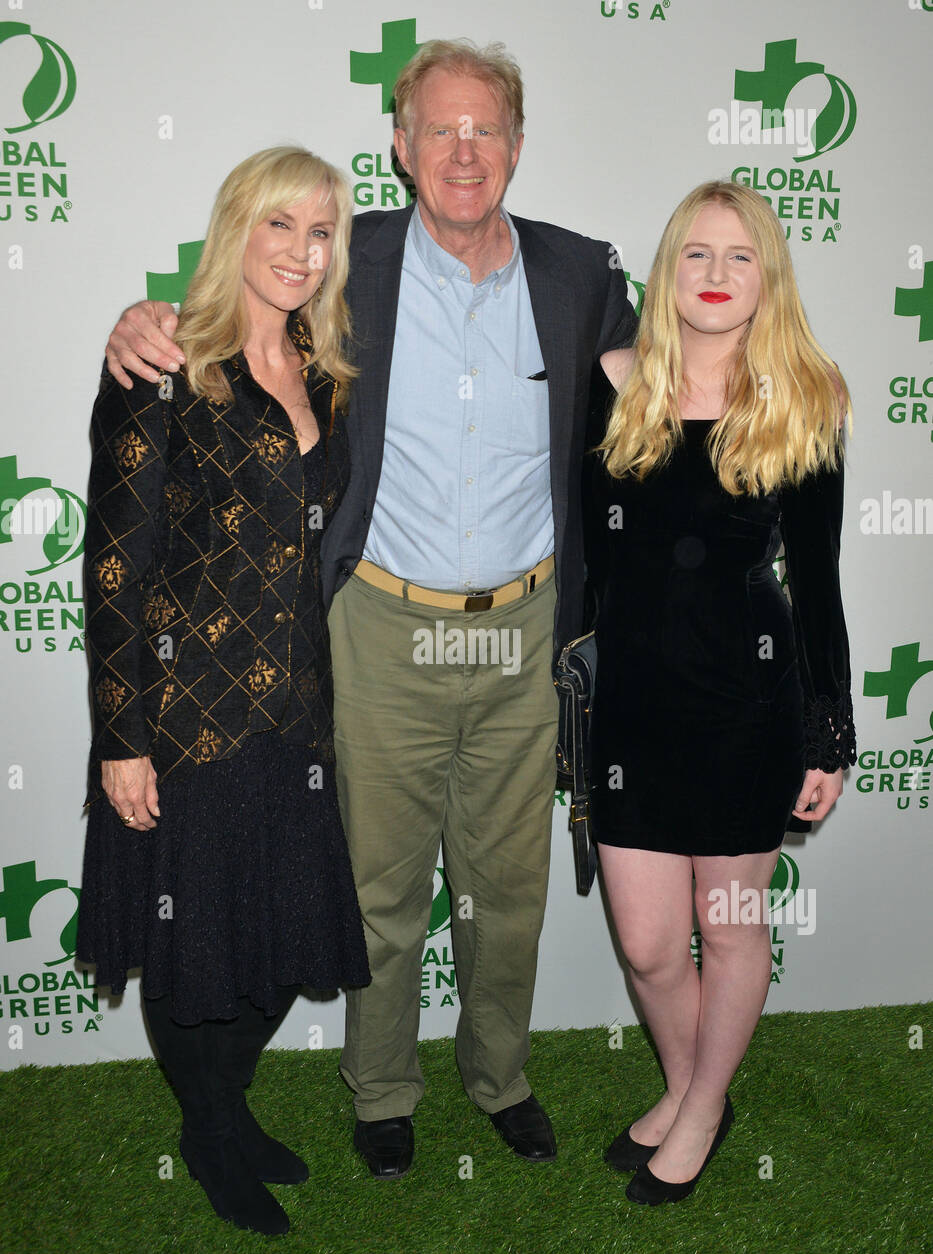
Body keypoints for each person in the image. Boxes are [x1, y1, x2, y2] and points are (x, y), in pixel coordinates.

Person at [103, 40, 637, 1179]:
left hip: (524, 627)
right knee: (380, 888)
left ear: (518, 147)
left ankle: (500, 1076)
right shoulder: (350, 264)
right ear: (400, 145)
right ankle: (381, 1091)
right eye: (437, 129)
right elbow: (224, 311)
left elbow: (663, 390)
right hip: (380, 626)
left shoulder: (579, 275)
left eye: (484, 130)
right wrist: (136, 322)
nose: (462, 152)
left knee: (510, 890)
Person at [76, 146, 370, 1235]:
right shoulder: (165, 363)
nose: (302, 250)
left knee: (284, 941)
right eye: (280, 226)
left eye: (323, 230)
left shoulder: (324, 366)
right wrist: (122, 737)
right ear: (236, 230)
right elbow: (114, 563)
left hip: (296, 706)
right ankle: (211, 1133)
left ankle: (221, 1105)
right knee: (194, 942)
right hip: (182, 711)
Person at [587, 180, 855, 1205]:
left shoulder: (807, 397)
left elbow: (819, 582)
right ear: (667, 271)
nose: (714, 275)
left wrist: (827, 731)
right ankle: (689, 1079)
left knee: (733, 924)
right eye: (695, 254)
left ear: (767, 277)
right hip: (632, 711)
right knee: (651, 944)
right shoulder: (610, 382)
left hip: (749, 711)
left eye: (739, 257)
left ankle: (700, 1107)